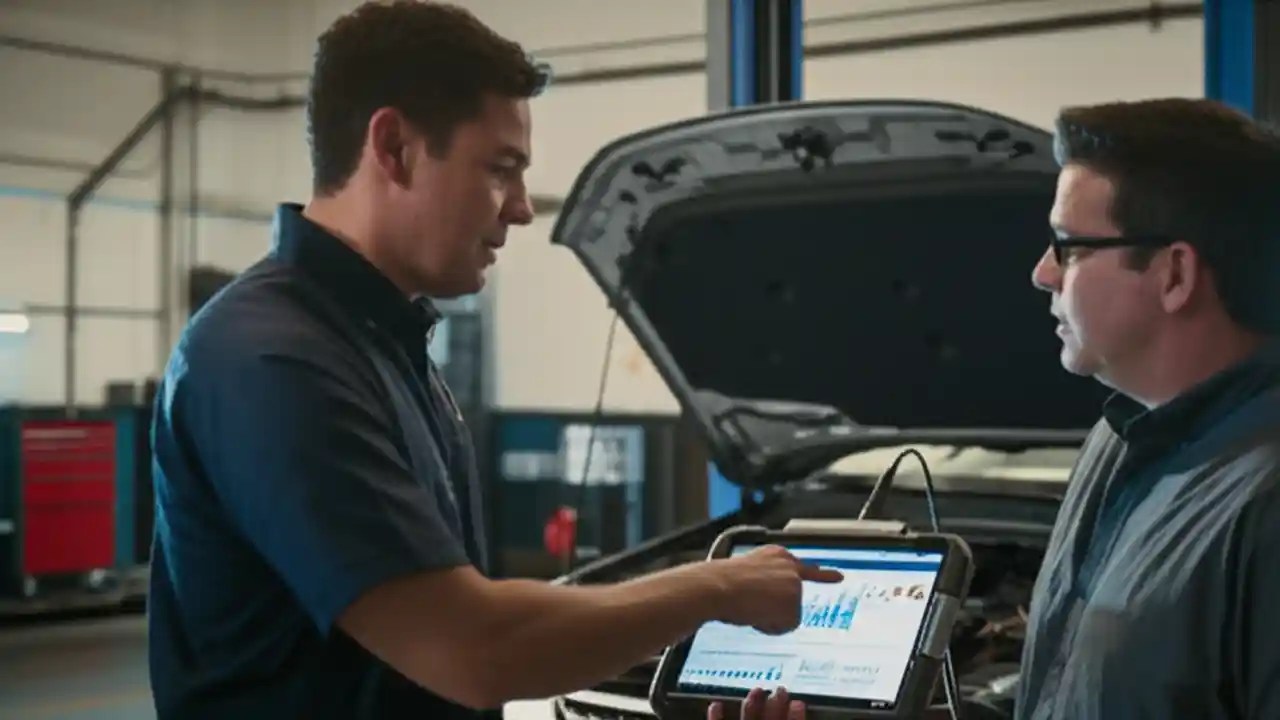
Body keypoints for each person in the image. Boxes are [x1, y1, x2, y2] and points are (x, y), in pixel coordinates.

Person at [145, 2, 835, 719]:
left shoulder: (381, 344)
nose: (521, 209)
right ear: (395, 148)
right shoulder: (272, 361)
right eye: (502, 169)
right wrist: (720, 589)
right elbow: (475, 650)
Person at [1016, 97, 1280, 719]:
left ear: (1174, 274)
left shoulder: (1265, 502)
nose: (1043, 273)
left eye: (1068, 247)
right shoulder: (1119, 438)